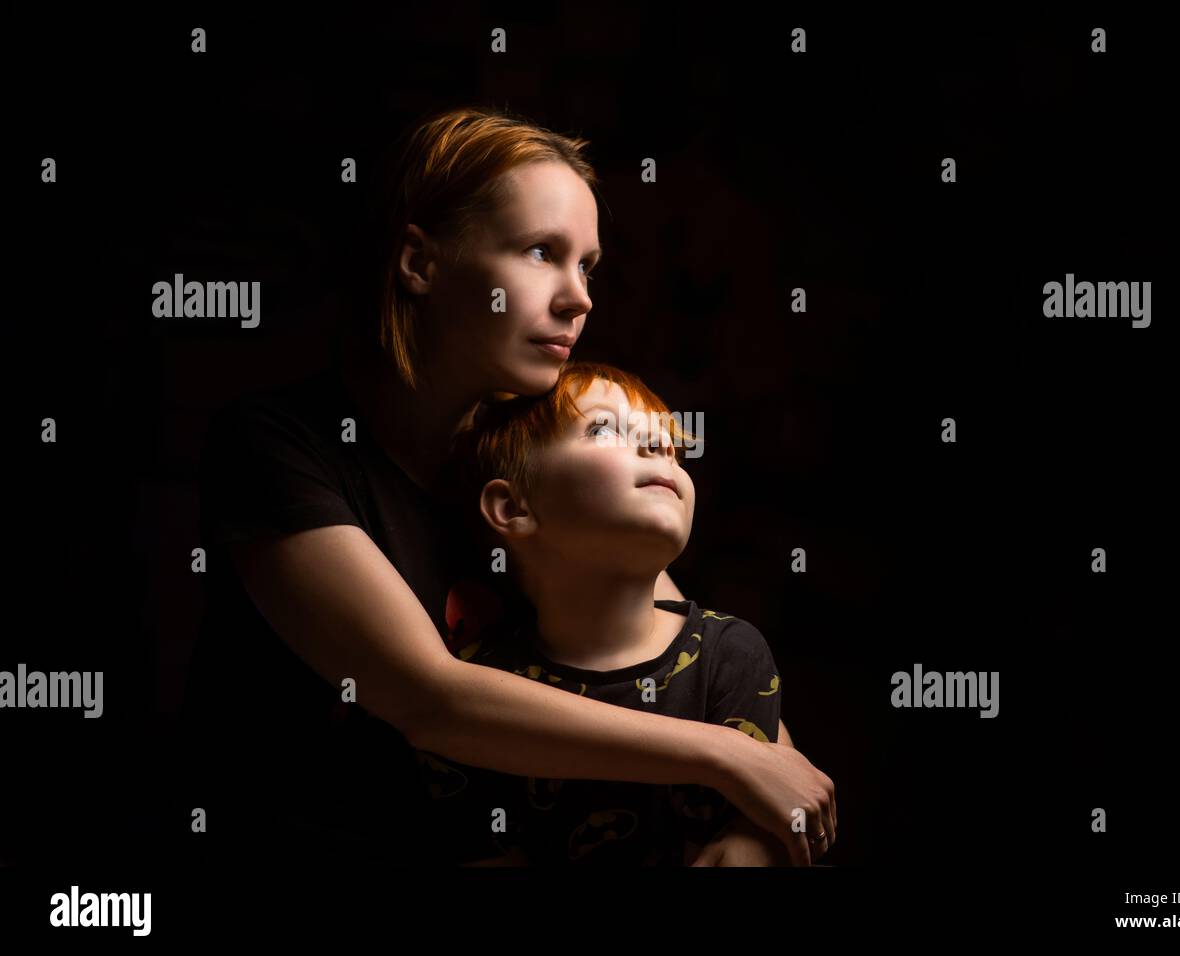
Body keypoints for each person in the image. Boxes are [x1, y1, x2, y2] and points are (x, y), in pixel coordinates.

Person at [180, 106, 835, 867]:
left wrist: (758, 817)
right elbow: (431, 699)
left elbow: (677, 640)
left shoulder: (543, 458)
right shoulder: (277, 446)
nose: (579, 298)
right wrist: (727, 759)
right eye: (540, 253)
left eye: (586, 266)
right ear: (420, 263)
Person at [444, 362, 784, 865]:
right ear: (512, 508)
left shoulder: (732, 657)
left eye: (667, 441)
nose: (661, 449)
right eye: (604, 429)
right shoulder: (482, 687)